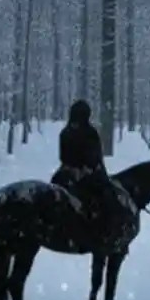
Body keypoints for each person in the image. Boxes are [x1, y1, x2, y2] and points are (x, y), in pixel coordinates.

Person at [52, 100, 117, 239]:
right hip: (78, 172)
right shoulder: (84, 133)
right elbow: (90, 157)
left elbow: (66, 156)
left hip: (75, 172)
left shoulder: (72, 132)